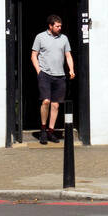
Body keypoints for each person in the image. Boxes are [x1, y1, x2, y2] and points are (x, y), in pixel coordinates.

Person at [31, 14, 75, 145]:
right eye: (57, 26)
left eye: (60, 26)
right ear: (50, 26)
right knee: (46, 101)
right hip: (45, 74)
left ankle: (51, 131)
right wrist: (39, 71)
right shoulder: (40, 37)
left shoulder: (64, 39)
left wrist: (71, 69)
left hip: (60, 76)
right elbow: (34, 55)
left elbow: (68, 55)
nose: (60, 28)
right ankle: (43, 130)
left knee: (55, 105)